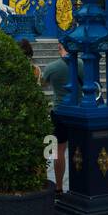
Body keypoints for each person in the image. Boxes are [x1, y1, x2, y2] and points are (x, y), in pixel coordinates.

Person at [42, 41, 72, 194]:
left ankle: (58, 185)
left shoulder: (52, 68)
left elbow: (41, 84)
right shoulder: (80, 64)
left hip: (59, 111)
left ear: (60, 47)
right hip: (78, 111)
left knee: (56, 149)